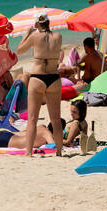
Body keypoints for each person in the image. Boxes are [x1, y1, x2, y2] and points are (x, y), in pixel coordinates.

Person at [16, 14, 66, 157]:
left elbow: (19, 50)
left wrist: (26, 34)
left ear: (37, 25)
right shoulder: (59, 37)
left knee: (32, 119)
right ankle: (59, 151)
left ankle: (28, 152)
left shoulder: (34, 36)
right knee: (56, 119)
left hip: (38, 77)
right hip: (54, 77)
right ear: (49, 23)